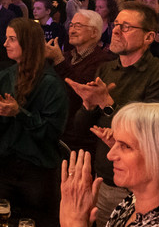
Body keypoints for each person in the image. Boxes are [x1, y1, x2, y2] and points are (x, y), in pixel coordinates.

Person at [66, 2, 159, 219]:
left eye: (127, 27)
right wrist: (87, 105)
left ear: (149, 37)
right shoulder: (107, 69)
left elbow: (150, 134)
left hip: (138, 188)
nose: (117, 31)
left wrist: (107, 104)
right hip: (104, 179)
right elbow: (81, 129)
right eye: (116, 24)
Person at [0, 18, 68, 211]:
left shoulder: (51, 83)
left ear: (29, 42)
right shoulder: (5, 76)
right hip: (5, 163)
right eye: (6, 38)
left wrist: (19, 113)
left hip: (36, 168)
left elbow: (51, 133)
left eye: (12, 39)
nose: (5, 44)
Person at [48, 10, 115, 153]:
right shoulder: (66, 56)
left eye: (78, 26)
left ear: (94, 32)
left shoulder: (103, 61)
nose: (71, 30)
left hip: (80, 138)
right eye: (71, 25)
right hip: (59, 129)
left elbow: (81, 92)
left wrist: (59, 62)